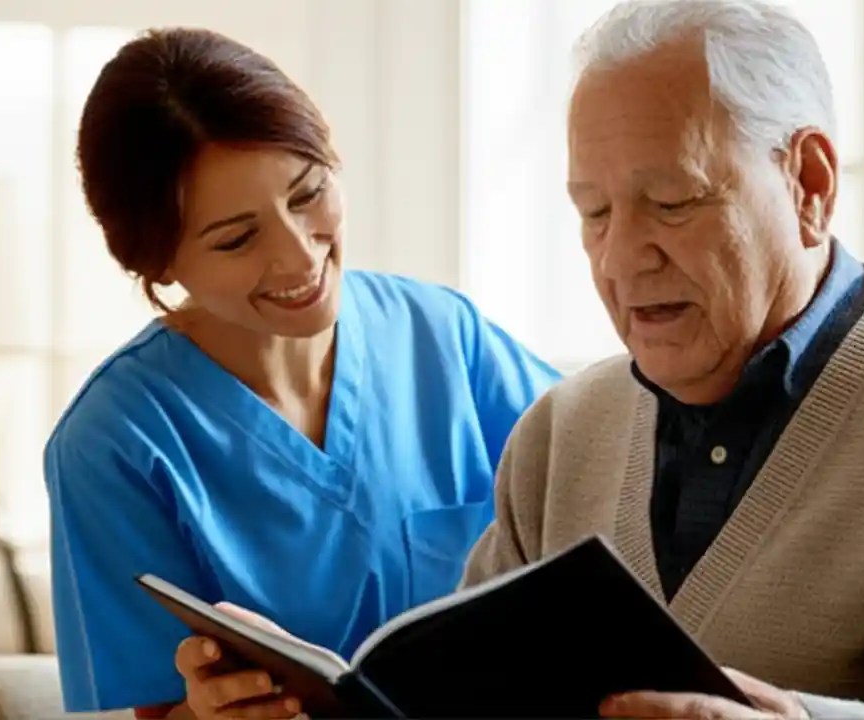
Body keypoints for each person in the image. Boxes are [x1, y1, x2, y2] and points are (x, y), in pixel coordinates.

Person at [458, 1, 864, 718]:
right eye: (594, 213)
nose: (619, 259)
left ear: (809, 184)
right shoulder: (557, 439)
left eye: (673, 201)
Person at [43, 27, 562, 718]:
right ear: (156, 262)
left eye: (307, 193)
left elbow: (611, 485)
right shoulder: (114, 444)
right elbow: (150, 703)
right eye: (236, 238)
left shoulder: (444, 337)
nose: (298, 258)